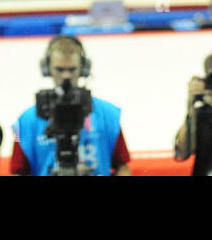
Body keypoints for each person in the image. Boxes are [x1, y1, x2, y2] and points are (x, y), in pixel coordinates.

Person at [11, 36, 131, 176]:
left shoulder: (108, 115)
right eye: (60, 70)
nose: (66, 76)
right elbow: (17, 172)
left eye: (72, 69)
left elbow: (123, 167)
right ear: (47, 68)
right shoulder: (26, 122)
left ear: (83, 69)